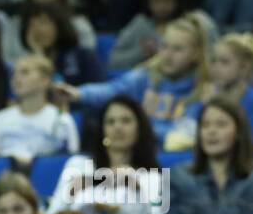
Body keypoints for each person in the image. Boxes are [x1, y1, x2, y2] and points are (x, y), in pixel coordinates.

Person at [55, 17, 212, 146]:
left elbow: (182, 137)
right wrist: (79, 93)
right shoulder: (145, 76)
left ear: (196, 54)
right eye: (164, 46)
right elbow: (113, 90)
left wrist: (138, 130)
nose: (168, 55)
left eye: (177, 49)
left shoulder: (204, 91)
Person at [47, 94, 164, 214]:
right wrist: (73, 191)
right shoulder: (79, 165)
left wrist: (139, 189)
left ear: (140, 128)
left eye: (126, 121)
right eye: (110, 122)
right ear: (102, 130)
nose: (117, 127)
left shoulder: (152, 178)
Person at [0, 55, 80, 165]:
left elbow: (72, 162)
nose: (16, 78)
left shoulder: (61, 119)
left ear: (45, 80)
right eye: (14, 74)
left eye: (25, 72)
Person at [16, 1, 103, 86]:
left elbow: (99, 92)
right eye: (31, 25)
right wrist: (38, 54)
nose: (37, 30)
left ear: (60, 25)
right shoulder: (25, 65)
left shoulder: (82, 56)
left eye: (43, 22)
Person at [108, 0, 182, 71]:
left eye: (167, 0)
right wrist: (141, 52)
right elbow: (113, 61)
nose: (162, 5)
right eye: (156, 0)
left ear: (177, 1)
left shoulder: (184, 27)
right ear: (148, 2)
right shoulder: (140, 24)